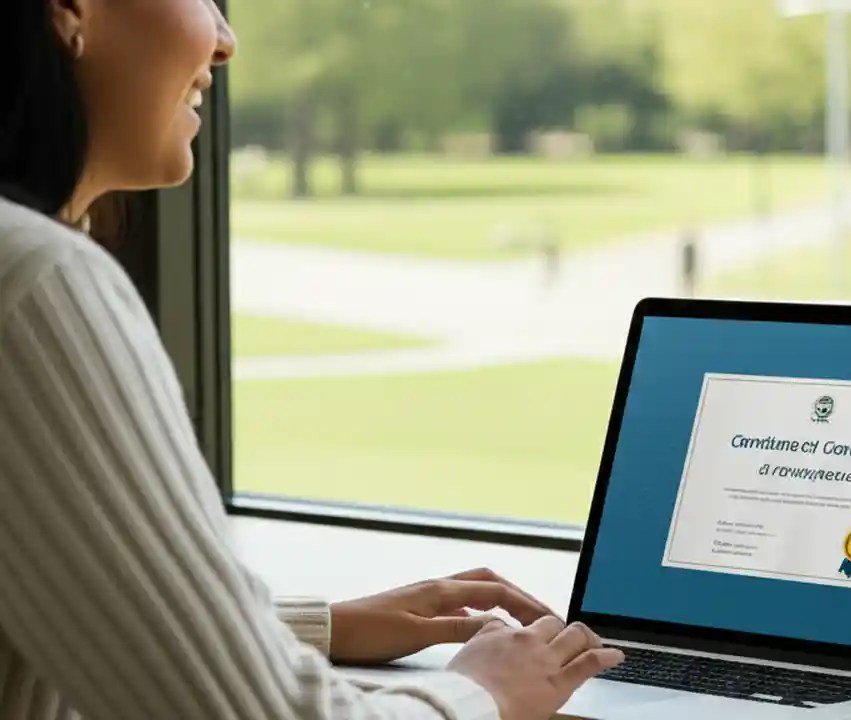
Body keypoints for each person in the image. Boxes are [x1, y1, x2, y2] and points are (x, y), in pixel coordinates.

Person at [0, 1, 622, 719]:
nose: (225, 40)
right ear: (66, 10)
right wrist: (483, 690)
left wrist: (303, 625)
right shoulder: (36, 281)